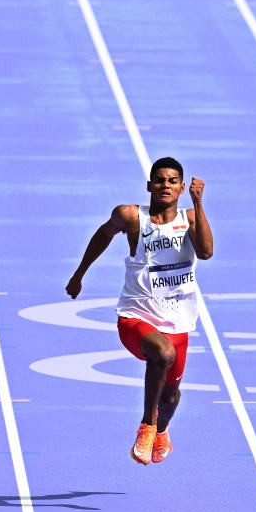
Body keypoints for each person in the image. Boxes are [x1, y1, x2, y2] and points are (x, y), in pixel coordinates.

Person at [66, 157, 212, 465]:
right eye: (159, 180)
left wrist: (198, 205)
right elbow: (104, 234)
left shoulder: (189, 219)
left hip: (178, 321)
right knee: (163, 354)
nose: (165, 185)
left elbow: (206, 252)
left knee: (171, 396)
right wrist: (80, 274)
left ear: (182, 188)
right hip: (136, 317)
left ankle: (161, 430)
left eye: (173, 181)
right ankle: (147, 426)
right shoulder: (132, 217)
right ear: (149, 185)